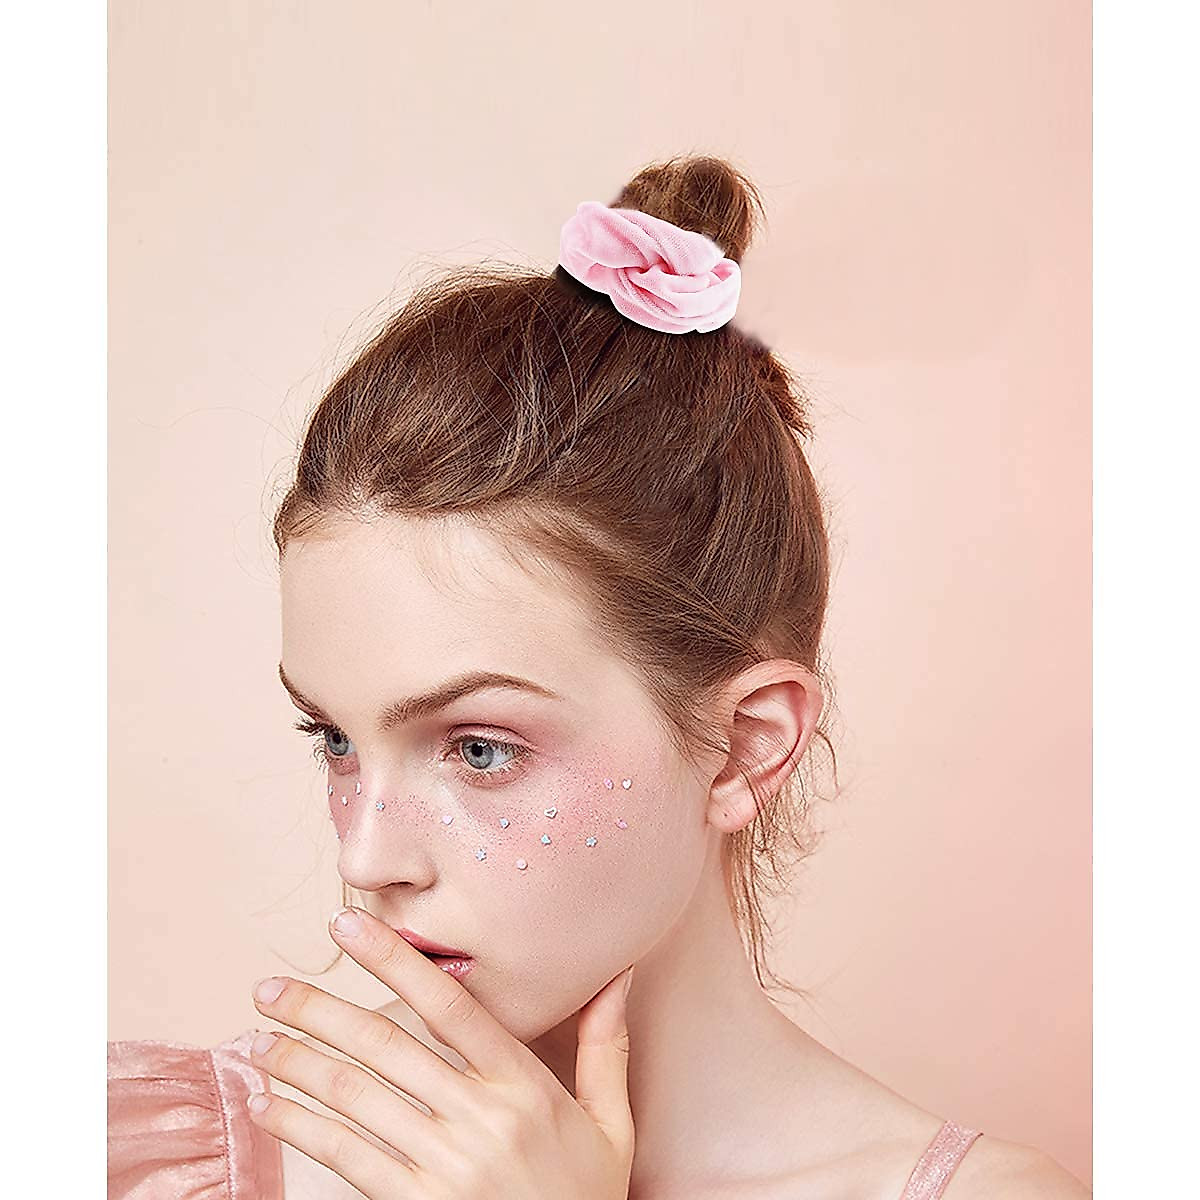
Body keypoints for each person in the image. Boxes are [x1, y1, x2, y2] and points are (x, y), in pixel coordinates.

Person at [109, 155, 1090, 1199]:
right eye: (337, 741)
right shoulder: (181, 1159)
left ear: (746, 746)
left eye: (479, 749)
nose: (366, 858)